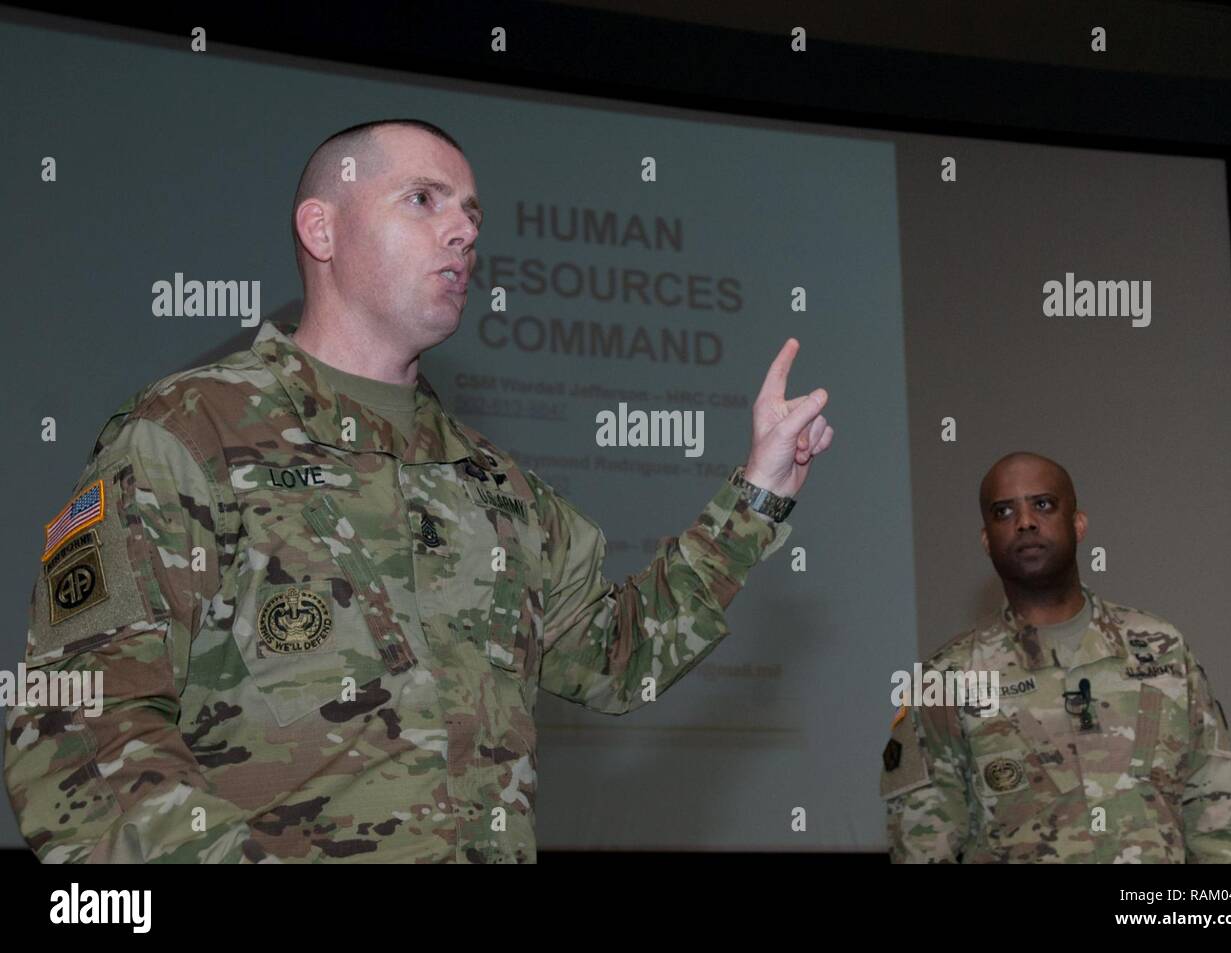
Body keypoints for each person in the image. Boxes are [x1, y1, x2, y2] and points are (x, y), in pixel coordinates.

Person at [4, 119, 834, 863]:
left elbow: (623, 657)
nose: (465, 230)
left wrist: (757, 493)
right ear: (321, 228)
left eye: (472, 212)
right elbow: (76, 724)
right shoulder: (186, 433)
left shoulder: (495, 485)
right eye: (425, 199)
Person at [881, 451, 1231, 863]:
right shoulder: (947, 679)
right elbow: (923, 850)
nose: (1025, 522)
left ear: (1078, 524)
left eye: (1043, 504)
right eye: (1004, 511)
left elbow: (1218, 828)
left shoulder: (1161, 648)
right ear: (986, 539)